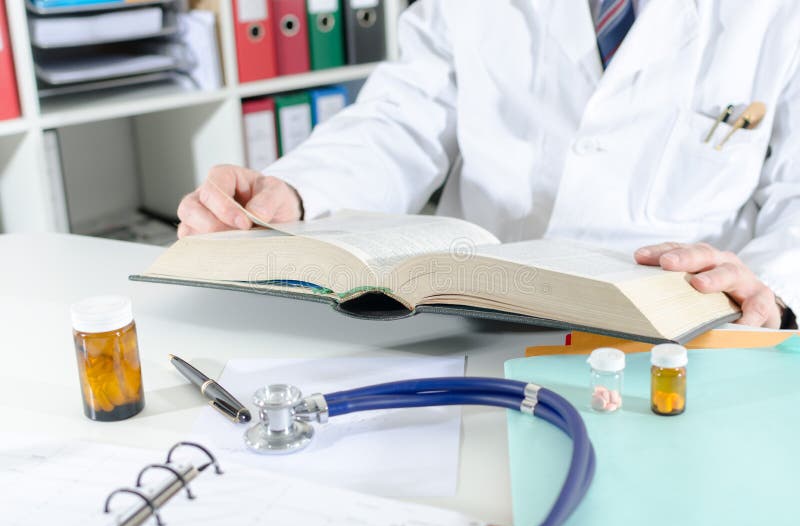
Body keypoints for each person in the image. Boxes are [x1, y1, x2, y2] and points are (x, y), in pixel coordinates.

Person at [177, 0, 799, 329]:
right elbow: (405, 116)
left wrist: (770, 287)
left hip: (684, 323)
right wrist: (296, 190)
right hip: (476, 312)